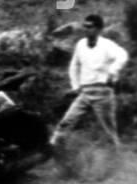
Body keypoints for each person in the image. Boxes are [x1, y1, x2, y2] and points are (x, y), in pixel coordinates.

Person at [51, 13, 128, 152]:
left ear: (98, 29)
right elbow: (74, 66)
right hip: (85, 92)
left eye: (90, 27)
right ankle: (53, 150)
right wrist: (75, 85)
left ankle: (117, 157)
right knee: (66, 122)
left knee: (109, 132)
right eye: (85, 26)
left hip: (103, 92)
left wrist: (112, 71)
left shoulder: (107, 45)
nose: (86, 30)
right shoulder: (80, 45)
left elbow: (122, 55)